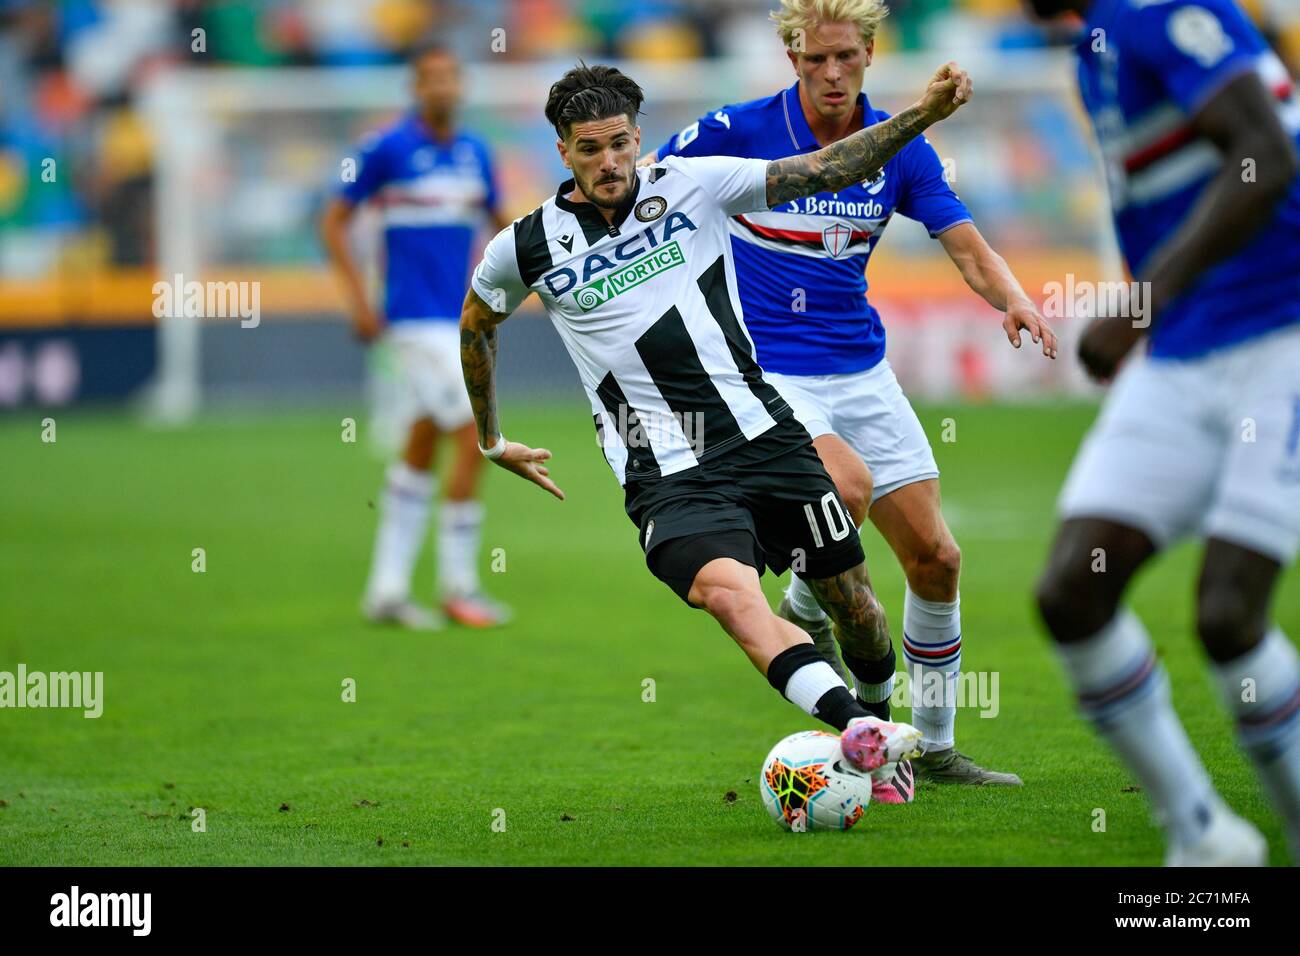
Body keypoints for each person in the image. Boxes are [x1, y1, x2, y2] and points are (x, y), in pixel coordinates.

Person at [460, 60, 972, 796]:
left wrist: (920, 116)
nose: (609, 162)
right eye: (589, 148)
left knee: (856, 608)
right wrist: (489, 438)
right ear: (562, 151)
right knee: (731, 597)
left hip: (766, 437)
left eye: (619, 144)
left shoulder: (691, 184)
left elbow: (826, 169)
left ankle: (876, 716)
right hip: (665, 471)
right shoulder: (526, 246)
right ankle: (860, 734)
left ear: (637, 139)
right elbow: (477, 325)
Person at [643, 0, 1055, 785]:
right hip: (765, 370)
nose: (831, 75)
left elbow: (965, 246)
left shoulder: (900, 149)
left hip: (861, 370)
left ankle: (931, 746)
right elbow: (645, 197)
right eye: (814, 61)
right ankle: (822, 611)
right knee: (845, 488)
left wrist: (1016, 300)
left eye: (846, 59)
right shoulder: (734, 133)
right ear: (793, 58)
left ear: (870, 53)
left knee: (936, 558)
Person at [1027, 0, 1300, 865]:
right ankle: (1204, 839)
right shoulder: (1094, 50)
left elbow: (1266, 153)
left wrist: (1143, 302)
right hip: (1186, 354)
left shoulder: (1165, 9)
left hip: (1283, 334)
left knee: (1227, 614)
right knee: (1072, 590)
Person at [321, 43, 511, 629]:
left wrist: (537, 283)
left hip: (457, 319)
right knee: (474, 432)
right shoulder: (385, 148)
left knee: (423, 441)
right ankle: (458, 586)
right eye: (430, 79)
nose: (442, 87)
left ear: (462, 86)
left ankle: (386, 590)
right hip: (409, 320)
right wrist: (357, 298)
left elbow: (500, 225)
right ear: (415, 88)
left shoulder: (476, 151)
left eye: (450, 76)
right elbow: (333, 219)